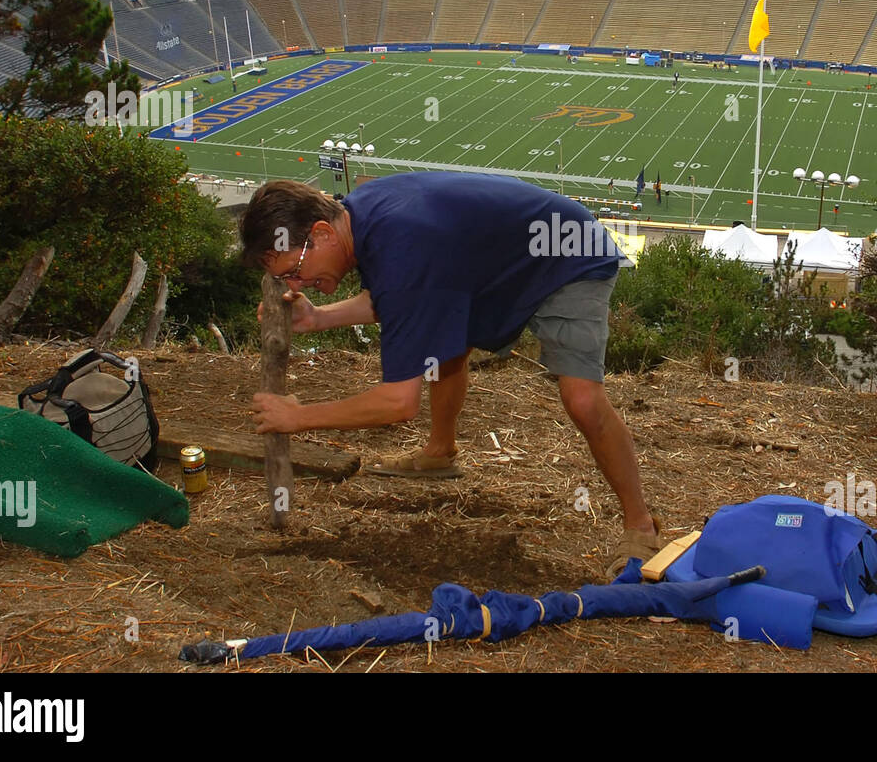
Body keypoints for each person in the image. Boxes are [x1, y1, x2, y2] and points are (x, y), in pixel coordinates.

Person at [241, 175, 663, 577]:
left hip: (566, 254)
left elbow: (398, 402)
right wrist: (317, 319)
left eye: (295, 269)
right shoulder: (359, 218)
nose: (299, 284)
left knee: (583, 399)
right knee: (441, 343)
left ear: (322, 233)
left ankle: (641, 527)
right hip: (495, 265)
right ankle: (440, 453)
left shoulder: (400, 241)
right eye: (285, 279)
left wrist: (299, 417)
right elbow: (400, 295)